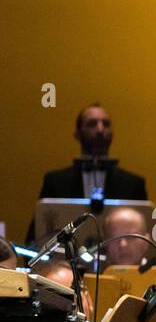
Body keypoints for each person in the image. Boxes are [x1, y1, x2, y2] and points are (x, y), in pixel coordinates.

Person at [27, 104, 148, 243]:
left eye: (106, 124)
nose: (100, 129)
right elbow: (35, 238)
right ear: (77, 134)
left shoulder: (133, 184)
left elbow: (144, 239)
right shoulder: (55, 182)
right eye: (92, 124)